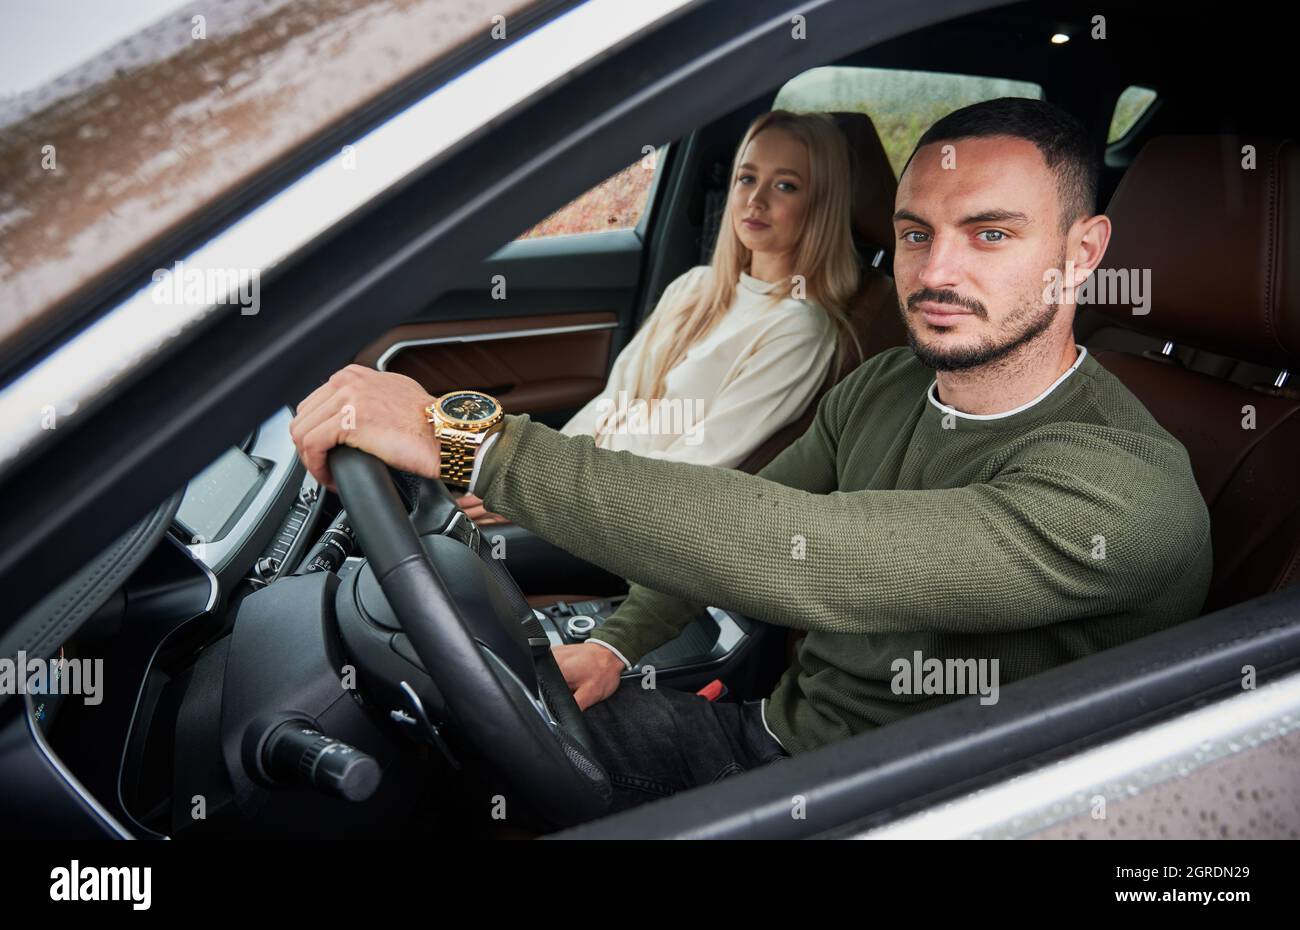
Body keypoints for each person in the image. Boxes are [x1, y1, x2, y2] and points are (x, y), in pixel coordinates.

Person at [290, 98, 1212, 817]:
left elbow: (797, 547)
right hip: (773, 740)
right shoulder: (886, 384)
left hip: (929, 806)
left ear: (1082, 253)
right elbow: (741, 513)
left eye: (993, 234)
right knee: (432, 759)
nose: (935, 274)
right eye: (916, 232)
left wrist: (470, 444)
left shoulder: (1122, 490)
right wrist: (616, 644)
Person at [455, 109, 864, 526]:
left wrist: (545, 497)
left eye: (785, 185)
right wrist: (534, 475)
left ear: (821, 204)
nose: (756, 200)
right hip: (578, 489)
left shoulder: (799, 328)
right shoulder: (694, 287)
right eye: (747, 178)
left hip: (622, 523)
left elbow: (699, 470)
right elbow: (611, 403)